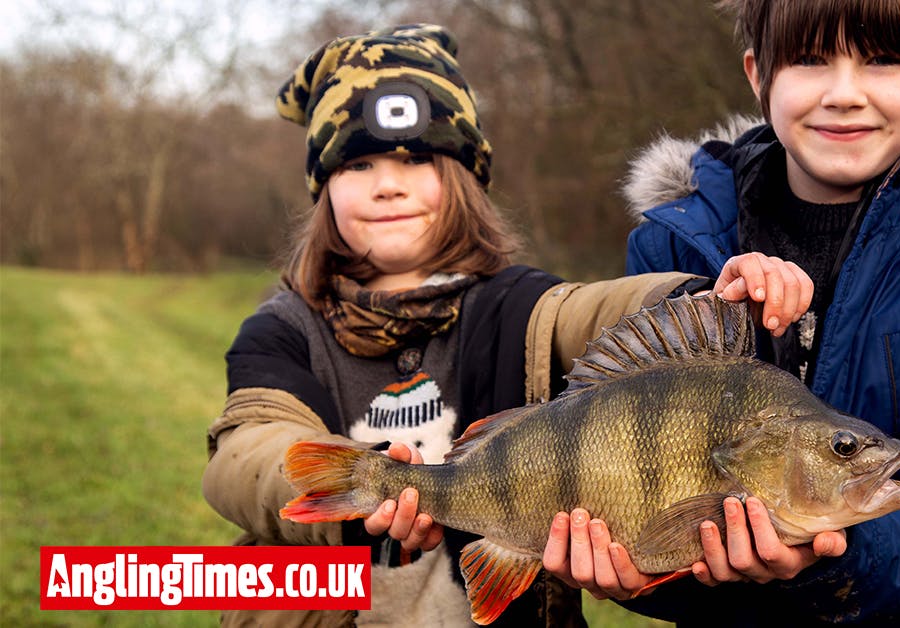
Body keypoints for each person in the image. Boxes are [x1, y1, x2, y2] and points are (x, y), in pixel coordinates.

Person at [543, 1, 900, 625]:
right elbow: (636, 484)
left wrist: (828, 560)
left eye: (882, 60)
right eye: (811, 59)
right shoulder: (670, 244)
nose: (844, 94)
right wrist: (636, 575)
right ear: (758, 74)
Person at [201, 24, 724, 627]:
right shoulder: (279, 332)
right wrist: (354, 499)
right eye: (359, 163)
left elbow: (592, 313)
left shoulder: (516, 306)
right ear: (324, 189)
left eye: (417, 158)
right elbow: (245, 453)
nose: (388, 184)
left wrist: (699, 302)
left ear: (465, 180)